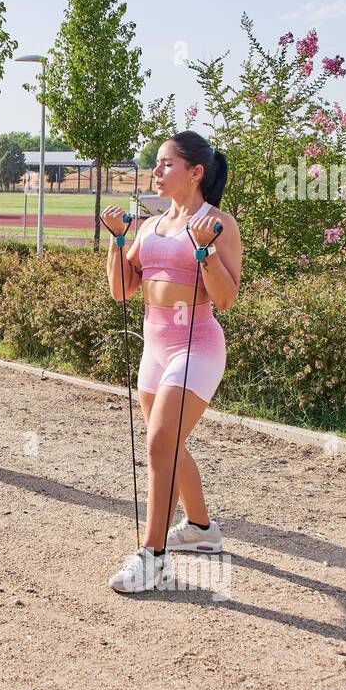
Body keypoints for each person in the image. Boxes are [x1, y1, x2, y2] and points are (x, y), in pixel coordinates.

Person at [100, 131, 243, 593]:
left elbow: (225, 298)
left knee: (161, 444)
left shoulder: (218, 223)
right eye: (156, 165)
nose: (156, 173)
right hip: (154, 348)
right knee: (169, 446)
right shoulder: (151, 225)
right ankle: (201, 530)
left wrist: (204, 252)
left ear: (195, 172)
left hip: (195, 345)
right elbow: (122, 290)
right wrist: (118, 241)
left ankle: (154, 557)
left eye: (165, 165)